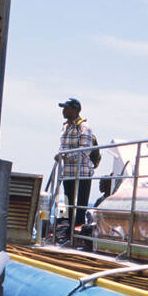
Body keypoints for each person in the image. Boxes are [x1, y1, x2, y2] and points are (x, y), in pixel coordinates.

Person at [54, 98, 98, 248]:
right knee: (67, 203)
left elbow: (84, 151)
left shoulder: (84, 128)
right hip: (68, 172)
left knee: (80, 205)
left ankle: (77, 235)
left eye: (66, 108)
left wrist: (64, 156)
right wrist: (62, 155)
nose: (63, 111)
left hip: (82, 172)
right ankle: (66, 233)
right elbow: (63, 147)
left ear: (75, 110)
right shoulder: (65, 127)